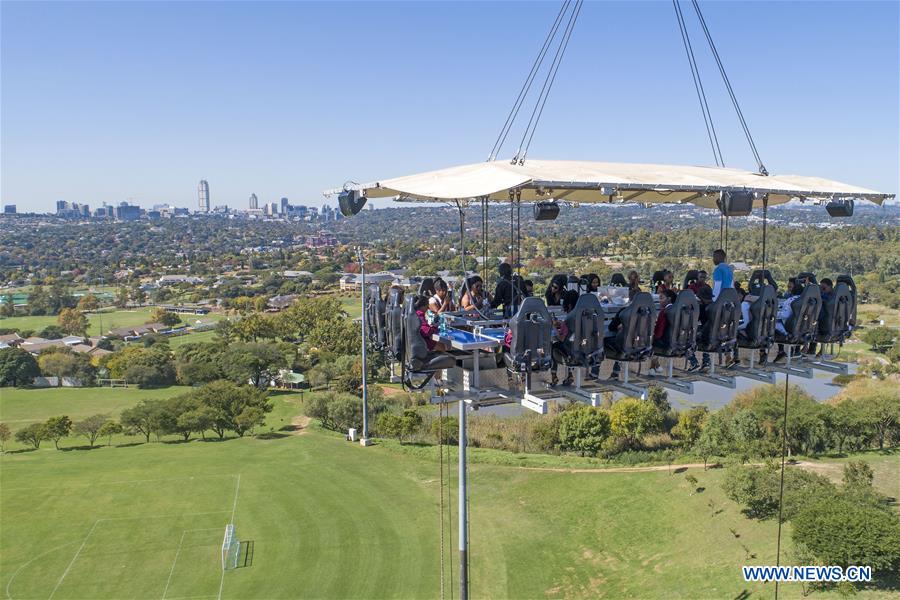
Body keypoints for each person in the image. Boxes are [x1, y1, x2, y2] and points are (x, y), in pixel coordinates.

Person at [550, 290, 578, 385]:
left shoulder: (569, 318)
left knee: (553, 346)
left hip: (569, 350)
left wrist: (554, 327)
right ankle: (570, 374)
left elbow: (561, 338)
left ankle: (554, 375)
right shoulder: (580, 314)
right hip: (580, 349)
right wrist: (562, 324)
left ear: (568, 304)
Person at [774, 282, 804, 362]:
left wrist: (774, 314)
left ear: (792, 291)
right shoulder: (806, 300)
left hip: (789, 328)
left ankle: (781, 350)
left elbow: (785, 315)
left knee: (773, 322)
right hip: (801, 329)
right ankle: (794, 350)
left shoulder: (790, 300)